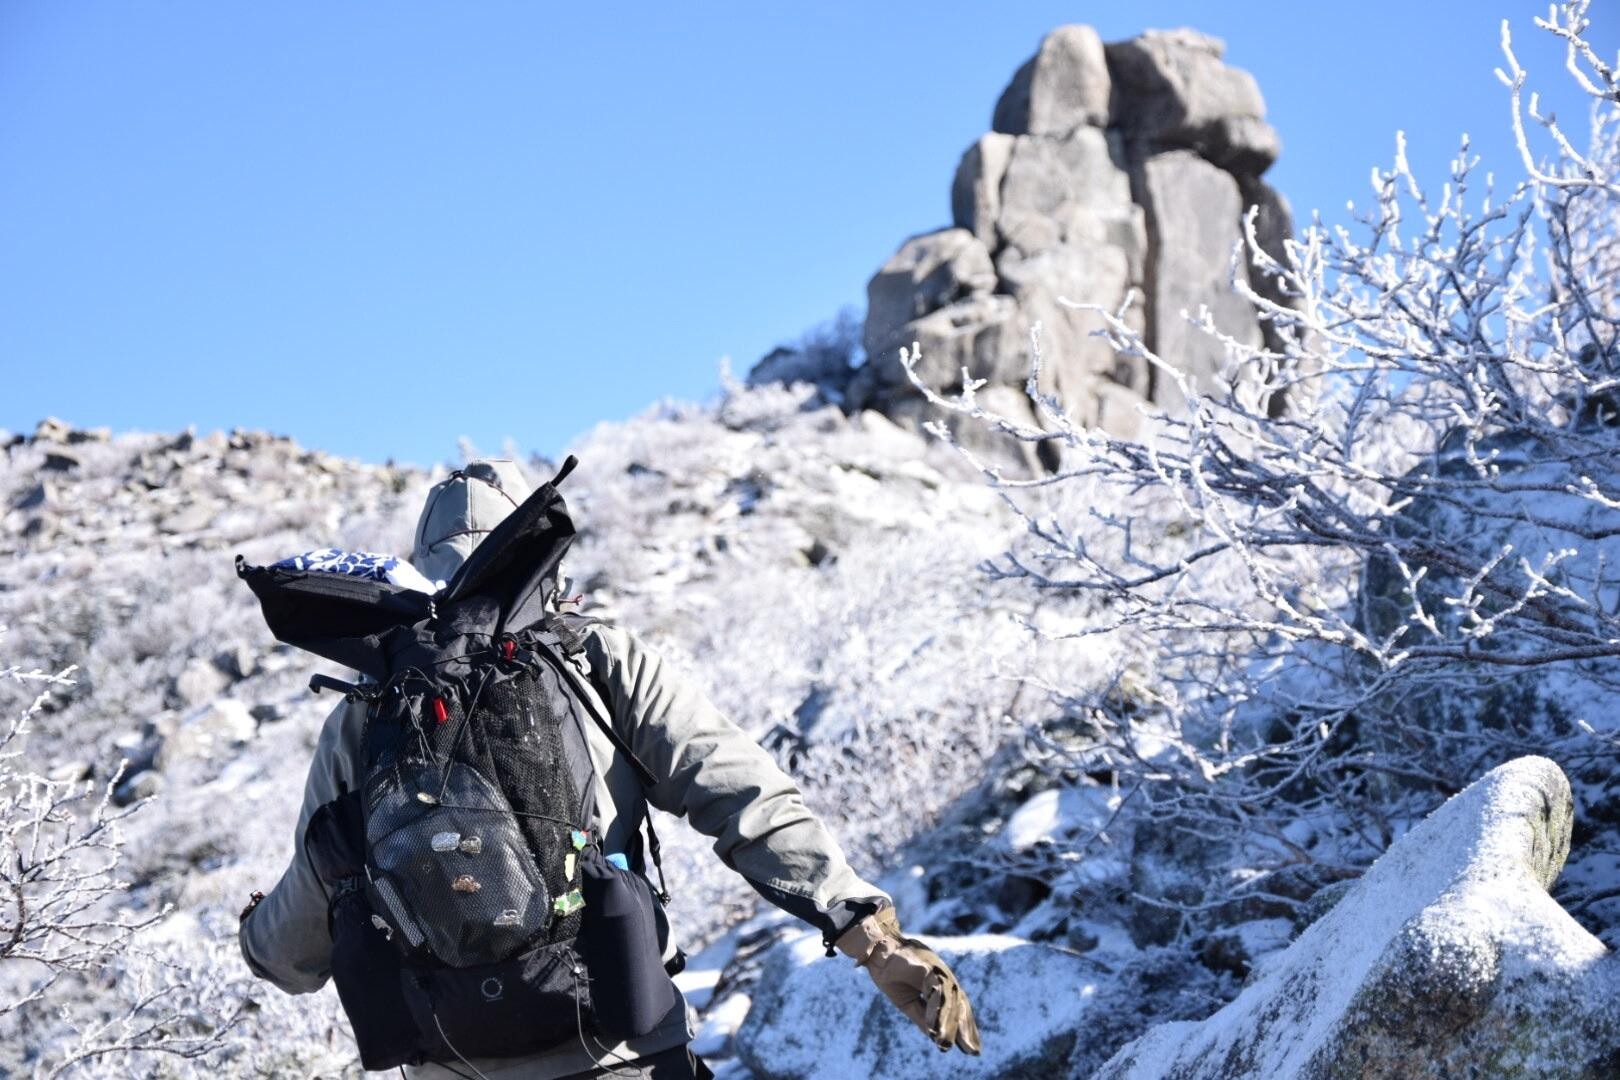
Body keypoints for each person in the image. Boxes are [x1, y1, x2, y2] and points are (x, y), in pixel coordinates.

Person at [239, 459, 980, 1079]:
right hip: (625, 1052)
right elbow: (743, 797)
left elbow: (296, 943)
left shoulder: (366, 713)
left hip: (453, 1062)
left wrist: (257, 936)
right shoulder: (594, 660)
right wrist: (871, 936)